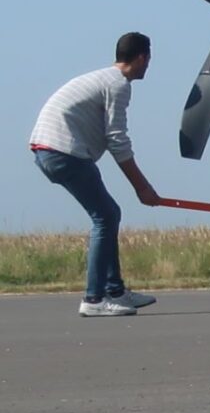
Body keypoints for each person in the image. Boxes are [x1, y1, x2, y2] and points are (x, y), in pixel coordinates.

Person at [29, 33, 163, 317]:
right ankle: (94, 299)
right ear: (142, 57)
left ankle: (115, 291)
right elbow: (117, 139)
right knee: (106, 216)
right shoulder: (118, 85)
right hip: (62, 151)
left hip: (49, 150)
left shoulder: (104, 78)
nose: (148, 66)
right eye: (149, 60)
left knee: (108, 213)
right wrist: (142, 187)